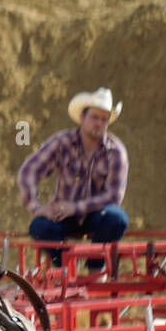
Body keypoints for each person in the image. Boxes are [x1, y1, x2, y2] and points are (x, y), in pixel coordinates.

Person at [17, 86, 129, 274]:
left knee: (117, 219)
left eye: (104, 119)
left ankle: (96, 269)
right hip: (63, 214)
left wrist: (74, 207)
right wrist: (37, 207)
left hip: (96, 214)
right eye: (94, 117)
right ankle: (66, 268)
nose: (99, 123)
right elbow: (29, 171)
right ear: (82, 118)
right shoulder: (62, 142)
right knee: (39, 226)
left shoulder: (116, 151)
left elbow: (114, 196)